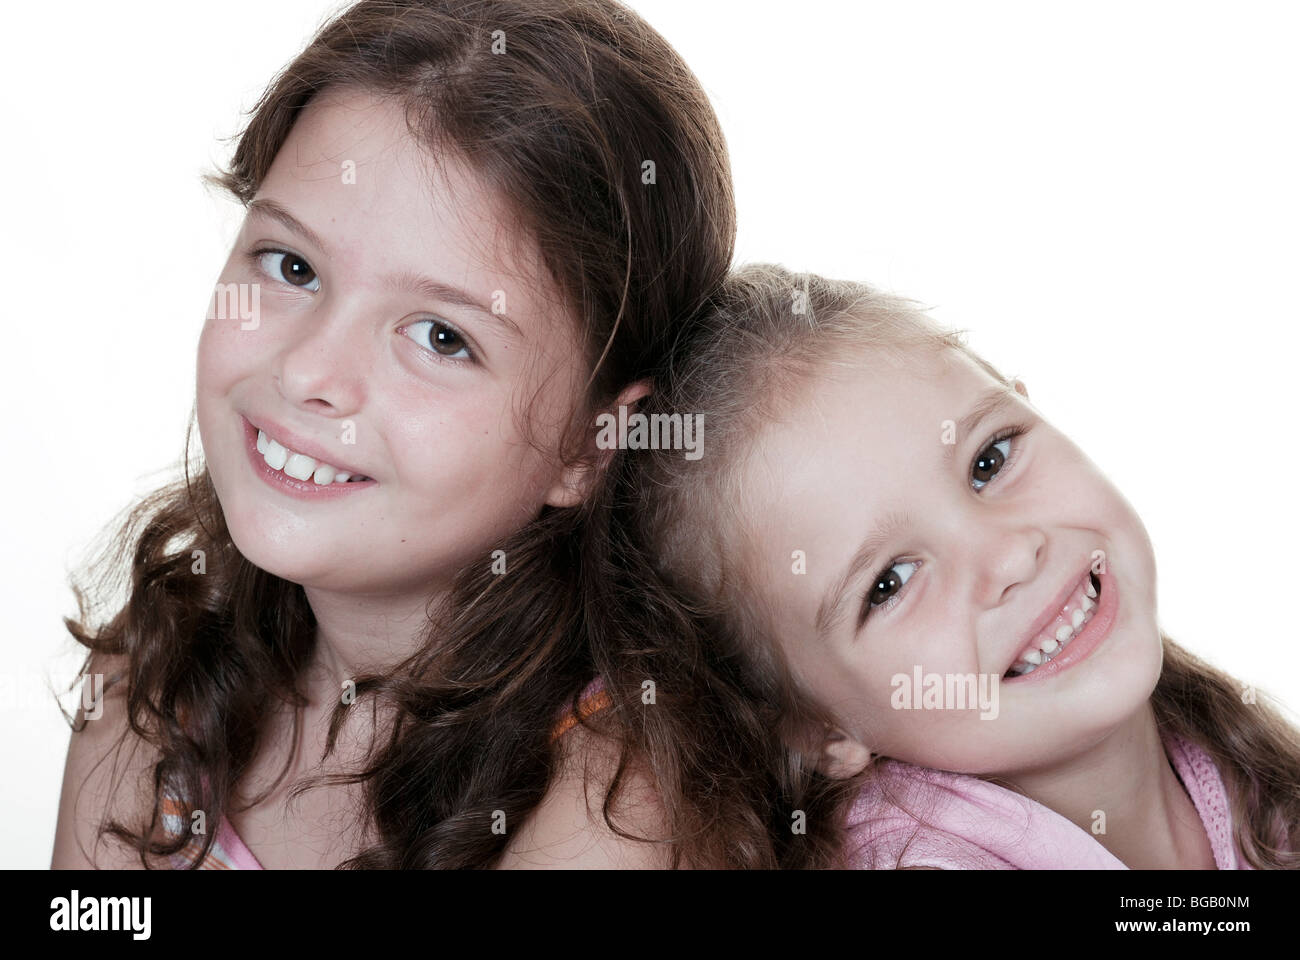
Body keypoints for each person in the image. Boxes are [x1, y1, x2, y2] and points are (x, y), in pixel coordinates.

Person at [51, 0, 735, 870]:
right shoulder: (147, 690)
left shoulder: (614, 816)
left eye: (442, 337)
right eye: (291, 266)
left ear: (593, 444)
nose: (307, 374)